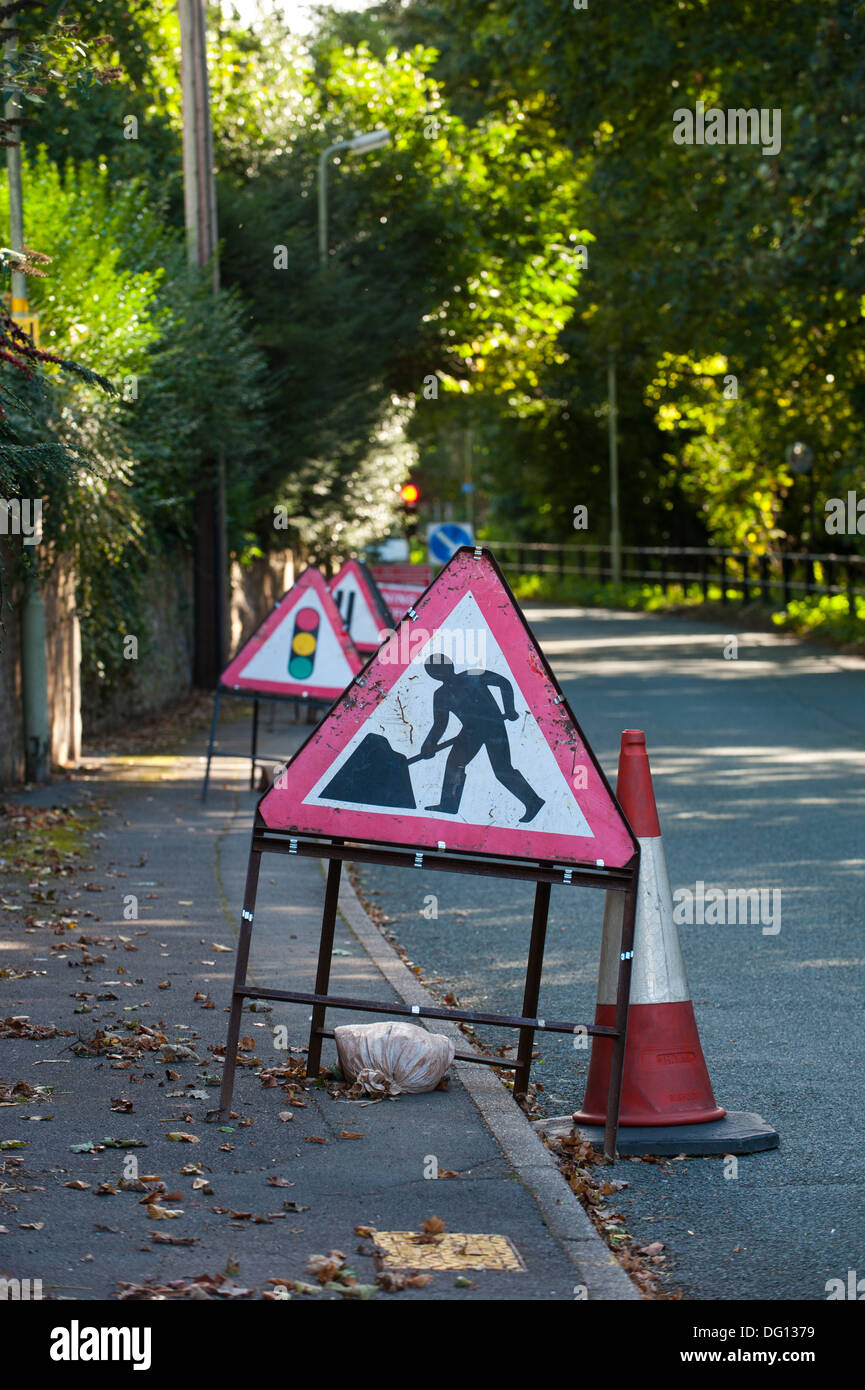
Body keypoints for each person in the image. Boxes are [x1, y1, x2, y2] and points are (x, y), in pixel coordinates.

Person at [418, 655, 545, 822]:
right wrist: (429, 744)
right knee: (454, 765)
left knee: (502, 769)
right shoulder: (441, 694)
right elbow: (440, 724)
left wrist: (510, 708)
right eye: (435, 671)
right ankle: (448, 805)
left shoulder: (473, 675)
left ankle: (533, 801)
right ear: (433, 675)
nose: (440, 672)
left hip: (493, 725)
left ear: (450, 666)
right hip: (470, 732)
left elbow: (503, 682)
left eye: (442, 667)